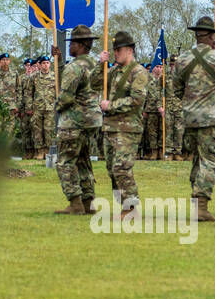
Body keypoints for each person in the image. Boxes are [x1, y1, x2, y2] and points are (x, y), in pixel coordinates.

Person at [171, 15, 215, 221]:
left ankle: (196, 204)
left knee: (197, 161)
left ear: (196, 35)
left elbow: (176, 90)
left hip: (190, 119)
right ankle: (200, 206)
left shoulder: (182, 59)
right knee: (210, 162)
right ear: (212, 36)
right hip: (214, 119)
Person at [52, 24, 103, 214]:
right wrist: (58, 62)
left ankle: (75, 203)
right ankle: (88, 202)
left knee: (65, 161)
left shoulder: (74, 67)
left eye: (72, 43)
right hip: (92, 121)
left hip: (74, 120)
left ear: (80, 45)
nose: (70, 46)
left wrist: (56, 107)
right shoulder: (94, 64)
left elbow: (66, 96)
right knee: (83, 161)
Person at [98, 31, 150, 215]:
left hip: (128, 129)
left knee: (121, 167)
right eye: (114, 50)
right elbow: (93, 82)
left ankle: (131, 207)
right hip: (111, 128)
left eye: (118, 50)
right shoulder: (113, 71)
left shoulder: (139, 72)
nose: (115, 53)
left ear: (129, 50)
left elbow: (136, 100)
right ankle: (124, 204)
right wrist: (100, 64)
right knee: (112, 169)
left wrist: (110, 106)